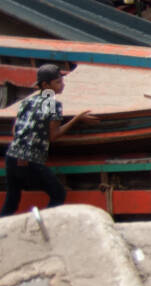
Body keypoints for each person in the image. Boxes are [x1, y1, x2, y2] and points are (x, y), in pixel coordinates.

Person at [2, 65, 95, 217]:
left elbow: (15, 130)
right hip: (28, 159)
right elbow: (53, 136)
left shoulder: (27, 101)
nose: (62, 85)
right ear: (46, 85)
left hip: (12, 155)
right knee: (58, 194)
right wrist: (77, 119)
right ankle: (43, 225)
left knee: (12, 199)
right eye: (58, 82)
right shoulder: (53, 104)